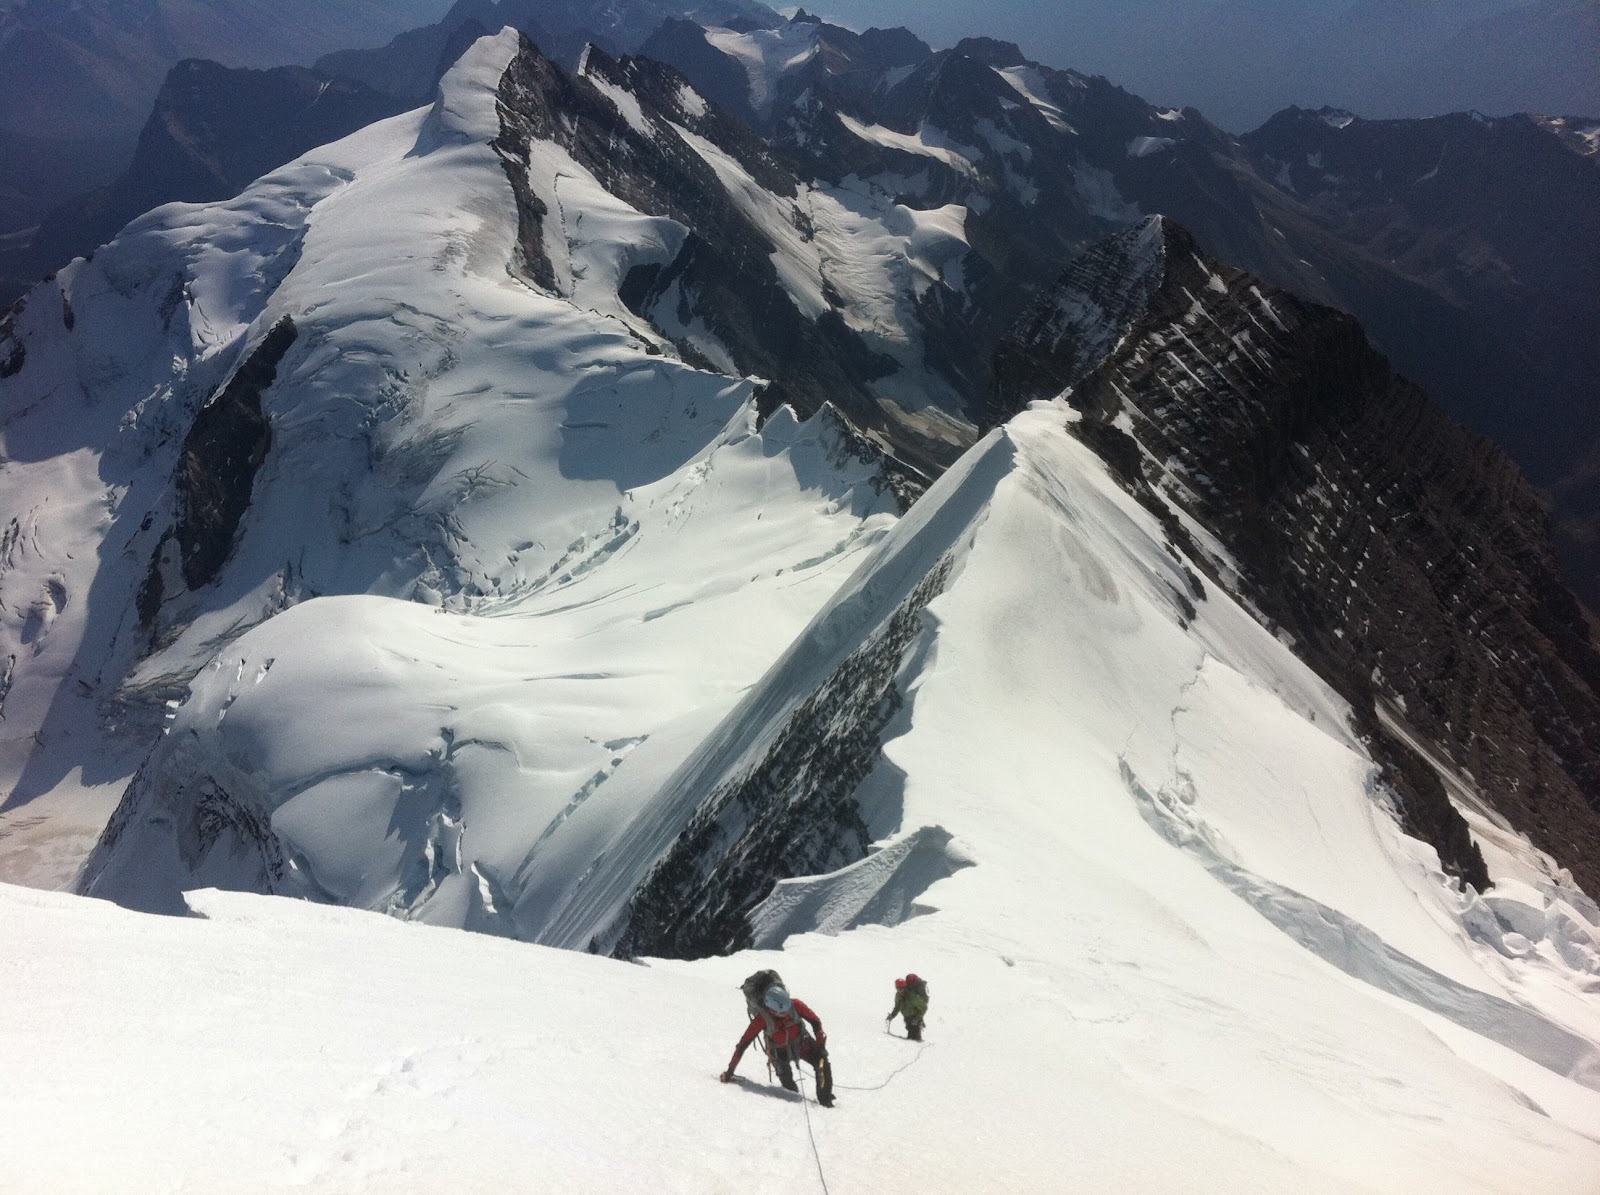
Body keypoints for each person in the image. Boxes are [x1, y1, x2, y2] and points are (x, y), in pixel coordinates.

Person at [721, 985, 835, 1107]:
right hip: (780, 1052)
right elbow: (743, 1044)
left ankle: (825, 1100)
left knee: (822, 1063)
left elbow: (815, 1021)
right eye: (783, 1012)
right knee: (788, 1085)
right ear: (772, 1010)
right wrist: (730, 1072)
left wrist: (820, 1045)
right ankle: (793, 1098)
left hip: (802, 1043)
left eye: (788, 1009)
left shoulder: (795, 1004)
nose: (787, 1013)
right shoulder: (762, 1019)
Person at [886, 973, 928, 1041]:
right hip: (907, 1017)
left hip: (915, 1018)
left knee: (914, 1038)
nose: (900, 990)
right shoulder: (898, 996)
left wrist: (917, 1018)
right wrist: (892, 1015)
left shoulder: (913, 996)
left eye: (902, 988)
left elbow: (924, 1008)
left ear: (905, 987)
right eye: (898, 989)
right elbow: (897, 1007)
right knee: (910, 1034)